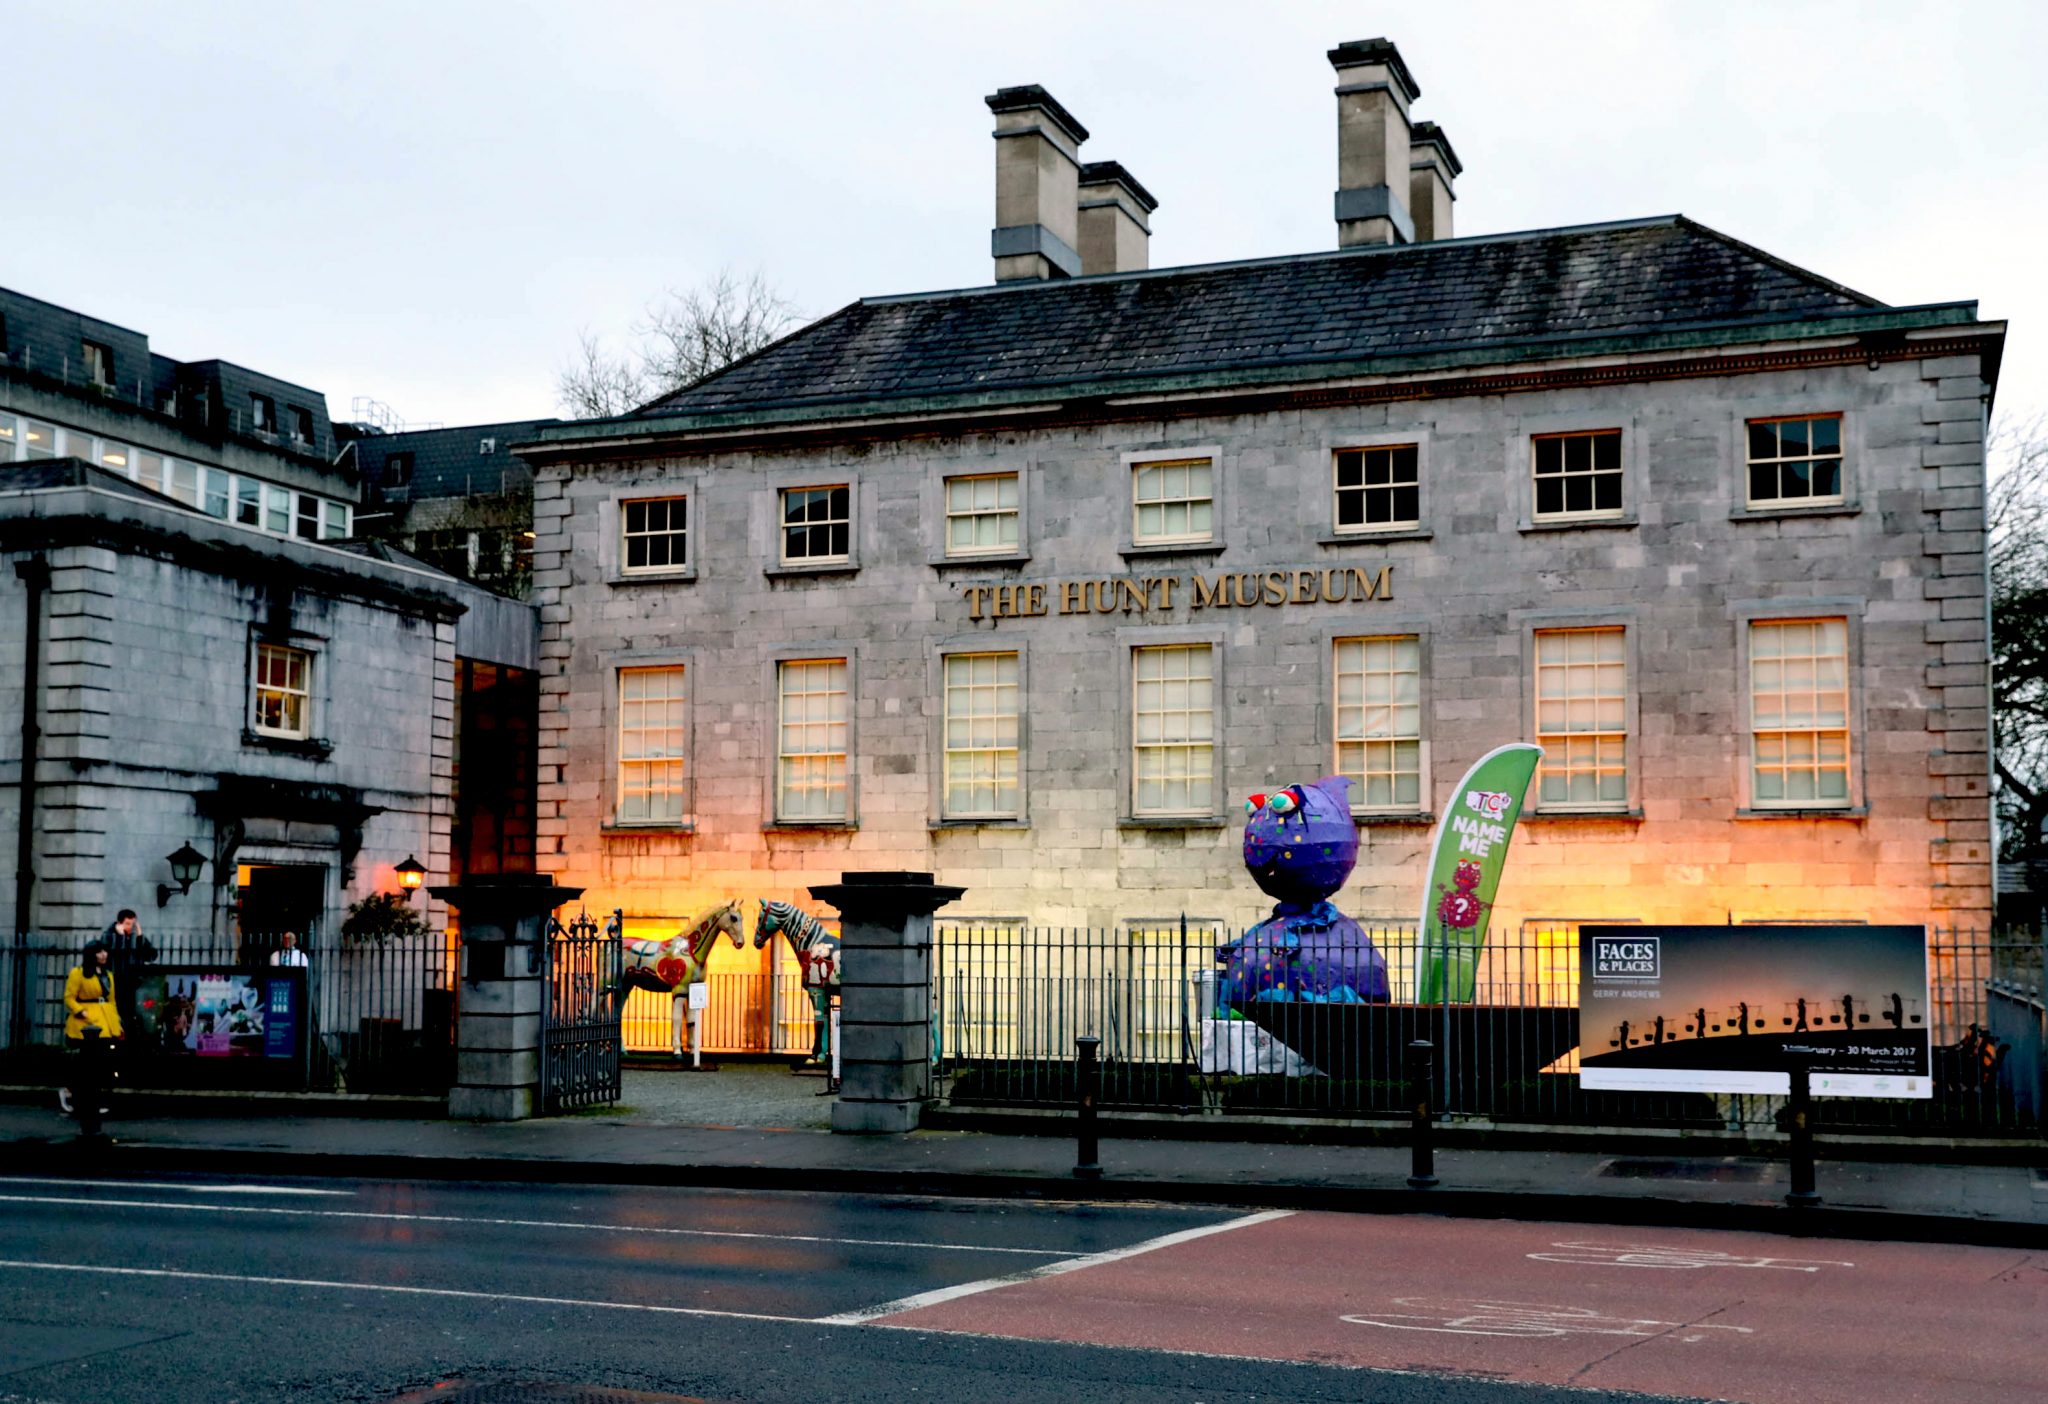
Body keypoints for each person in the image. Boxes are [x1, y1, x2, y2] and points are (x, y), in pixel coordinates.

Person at [62, 939, 122, 1137]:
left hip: (106, 1021)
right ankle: (76, 1096)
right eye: (99, 952)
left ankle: (95, 1100)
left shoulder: (108, 975)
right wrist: (81, 1011)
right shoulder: (78, 973)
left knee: (103, 1064)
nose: (103, 955)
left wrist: (117, 1024)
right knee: (87, 1065)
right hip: (86, 1022)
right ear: (91, 954)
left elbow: (112, 1001)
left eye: (105, 951)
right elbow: (69, 997)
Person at [101, 909, 157, 1044]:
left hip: (134, 983)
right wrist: (120, 937)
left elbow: (151, 956)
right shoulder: (108, 936)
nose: (130, 927)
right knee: (118, 1015)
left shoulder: (136, 937)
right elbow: (112, 955)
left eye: (132, 924)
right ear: (119, 923)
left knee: (134, 1015)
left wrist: (140, 937)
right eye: (127, 924)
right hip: (116, 982)